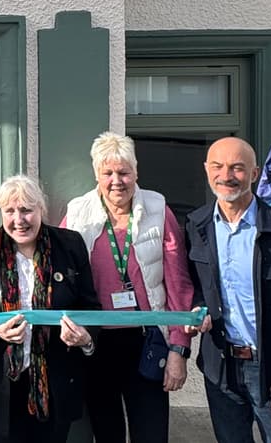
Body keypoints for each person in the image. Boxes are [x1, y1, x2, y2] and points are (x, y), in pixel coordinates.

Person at [185, 137, 271, 443]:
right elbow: (197, 286)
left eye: (237, 167)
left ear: (254, 174)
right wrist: (199, 308)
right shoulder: (196, 227)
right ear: (206, 170)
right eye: (218, 166)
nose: (226, 175)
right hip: (221, 371)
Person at [60, 131, 195, 443]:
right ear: (96, 174)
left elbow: (178, 285)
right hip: (96, 343)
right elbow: (62, 278)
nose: (116, 180)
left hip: (146, 341)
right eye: (108, 173)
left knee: (151, 433)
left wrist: (179, 349)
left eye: (124, 172)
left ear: (136, 172)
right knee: (107, 434)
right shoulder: (79, 212)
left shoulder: (158, 209)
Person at [0, 175, 100, 443]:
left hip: (57, 382)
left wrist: (85, 338)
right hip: (2, 381)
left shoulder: (70, 245)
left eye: (27, 210)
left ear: (41, 209)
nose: (19, 220)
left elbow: (90, 306)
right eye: (10, 211)